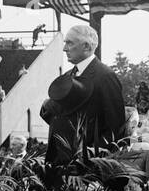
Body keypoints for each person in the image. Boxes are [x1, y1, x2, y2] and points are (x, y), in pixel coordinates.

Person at [54, 23, 126, 155]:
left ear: (86, 46)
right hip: (64, 158)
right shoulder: (67, 76)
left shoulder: (105, 76)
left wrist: (94, 153)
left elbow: (116, 126)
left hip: (92, 160)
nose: (64, 49)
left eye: (69, 43)